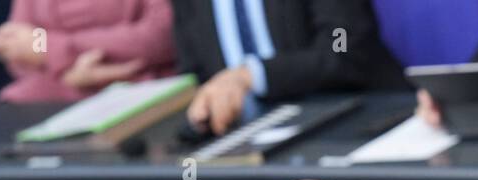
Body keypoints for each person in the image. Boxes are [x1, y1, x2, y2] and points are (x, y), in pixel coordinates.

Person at [172, 0, 407, 135]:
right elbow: (194, 74)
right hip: (241, 141)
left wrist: (251, 75)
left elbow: (344, 50)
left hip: (347, 121)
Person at [0, 0, 177, 103]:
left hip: (141, 88)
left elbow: (163, 35)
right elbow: (22, 55)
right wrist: (69, 76)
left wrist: (49, 48)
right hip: (59, 93)